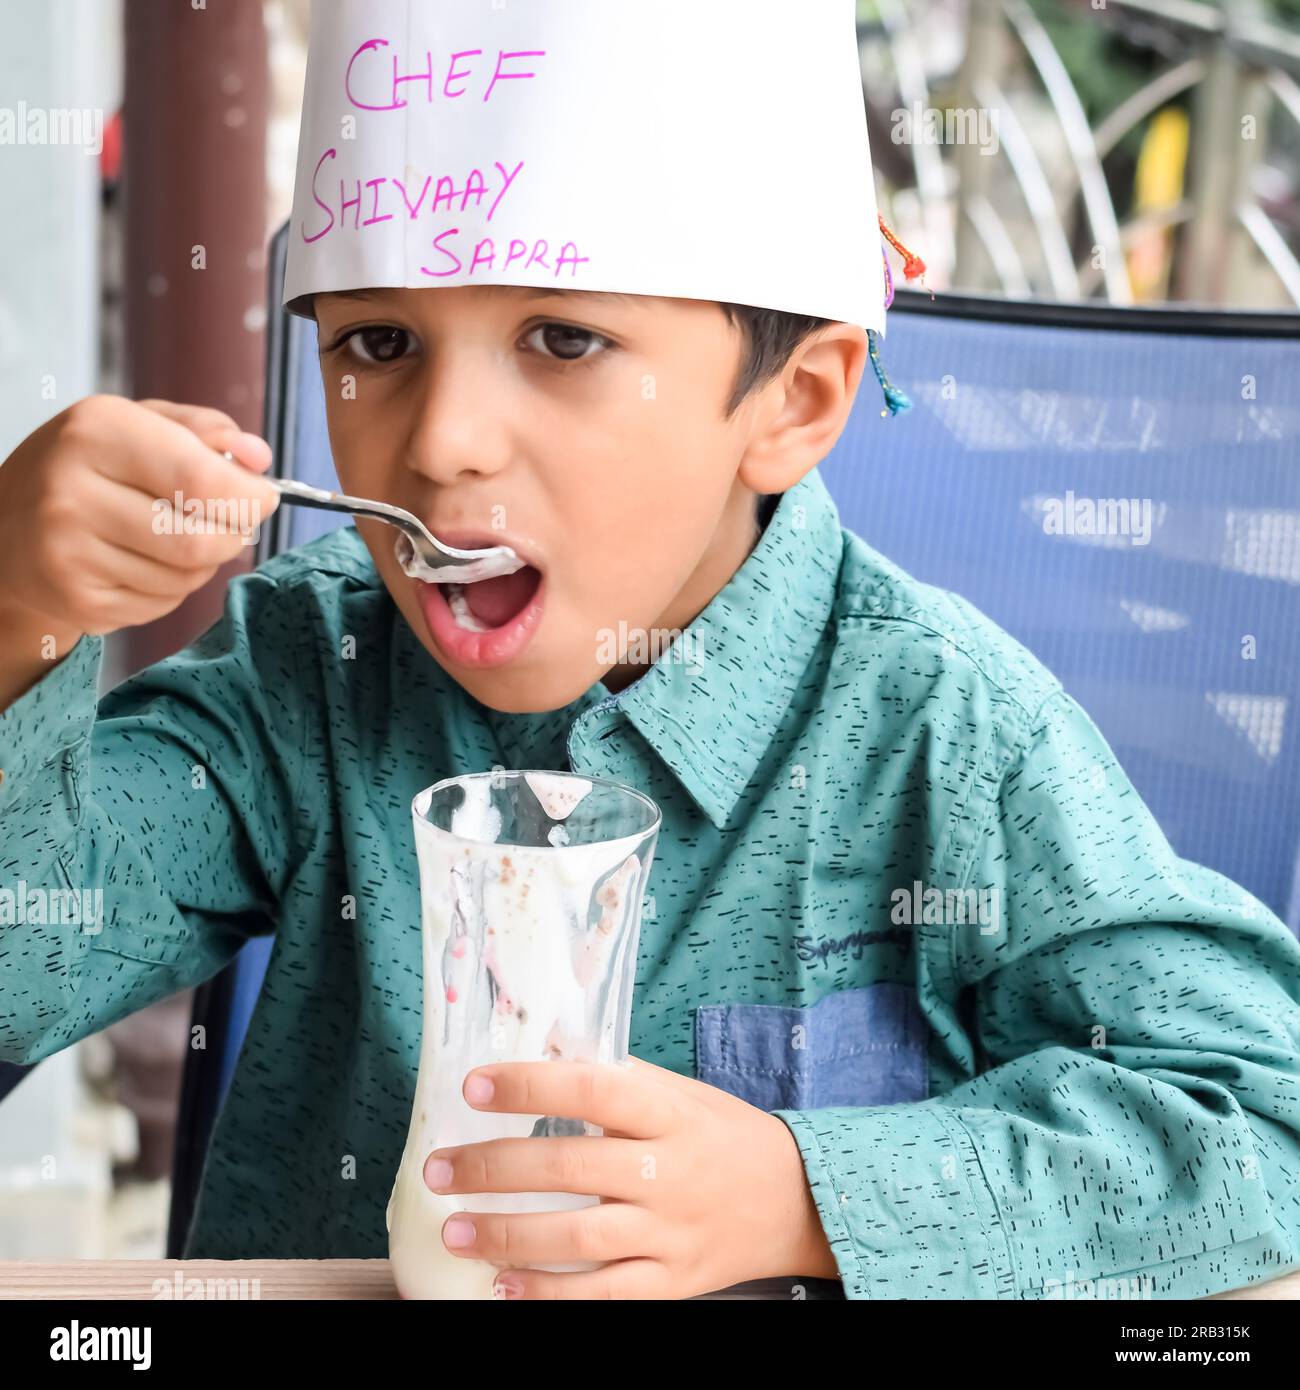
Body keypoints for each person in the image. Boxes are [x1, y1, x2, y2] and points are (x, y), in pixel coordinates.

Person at [2, 0, 1298, 1300]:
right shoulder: (313, 670)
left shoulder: (944, 738)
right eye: (378, 343)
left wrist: (801, 1193)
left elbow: (1264, 1129)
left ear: (792, 404)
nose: (443, 439)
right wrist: (17, 609)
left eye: (564, 339)